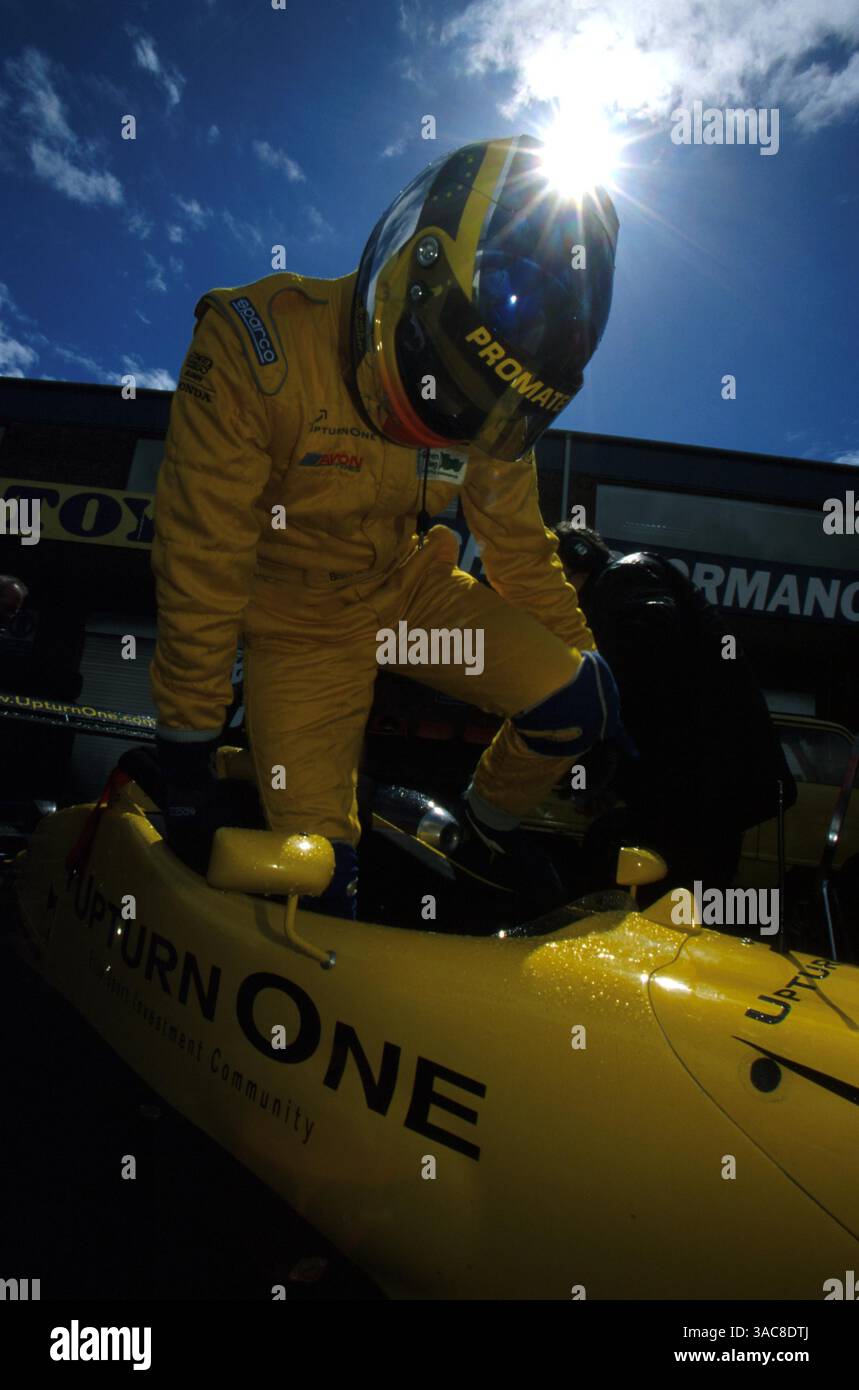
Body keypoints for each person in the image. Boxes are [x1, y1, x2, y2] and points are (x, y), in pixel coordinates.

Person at [150, 135, 626, 917]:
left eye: (468, 417)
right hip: (298, 628)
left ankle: (482, 832)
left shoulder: (498, 395)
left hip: (410, 595)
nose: (445, 428)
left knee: (577, 704)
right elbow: (203, 559)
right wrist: (187, 737)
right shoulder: (250, 345)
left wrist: (587, 665)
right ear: (405, 279)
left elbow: (517, 546)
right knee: (320, 881)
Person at [553, 523, 796, 902]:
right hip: (703, 788)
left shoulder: (625, 578)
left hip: (698, 788)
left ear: (575, 561)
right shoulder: (624, 588)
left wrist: (602, 752)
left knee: (664, 899)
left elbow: (645, 671)